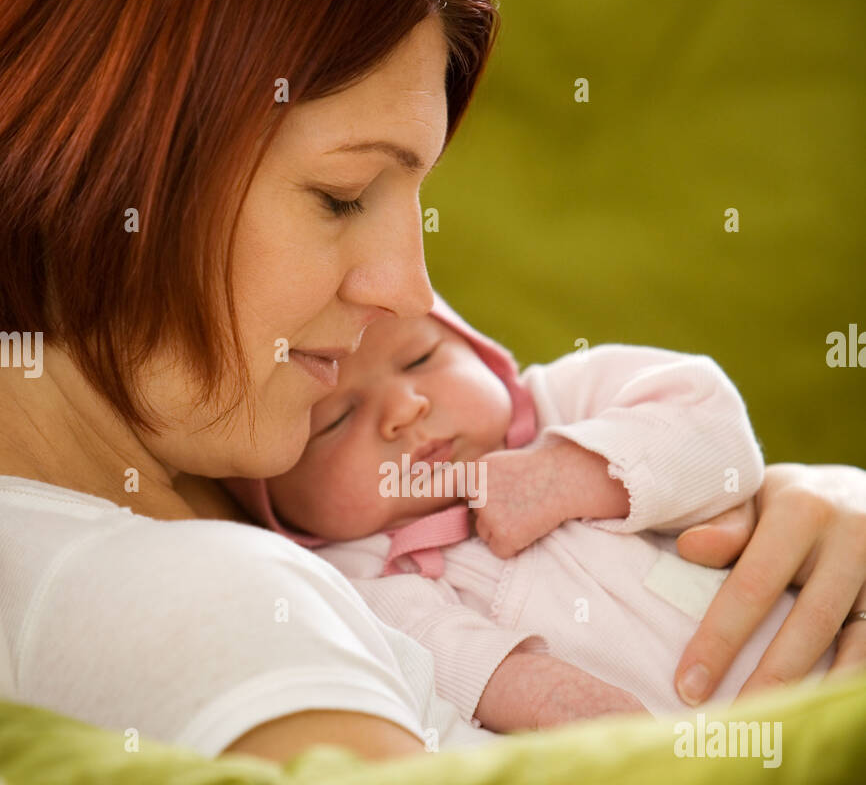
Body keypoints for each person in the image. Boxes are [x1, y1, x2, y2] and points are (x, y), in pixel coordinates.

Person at [0, 0, 863, 768]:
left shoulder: (211, 466)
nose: (410, 294)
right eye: (341, 196)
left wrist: (805, 508)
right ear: (105, 152)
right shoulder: (194, 603)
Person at [223, 296, 838, 728]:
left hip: (837, 660)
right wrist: (545, 697)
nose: (405, 406)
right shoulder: (361, 578)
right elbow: (428, 651)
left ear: (483, 356)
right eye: (335, 419)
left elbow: (713, 423)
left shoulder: (565, 405)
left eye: (420, 360)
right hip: (685, 763)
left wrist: (570, 471)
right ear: (279, 506)